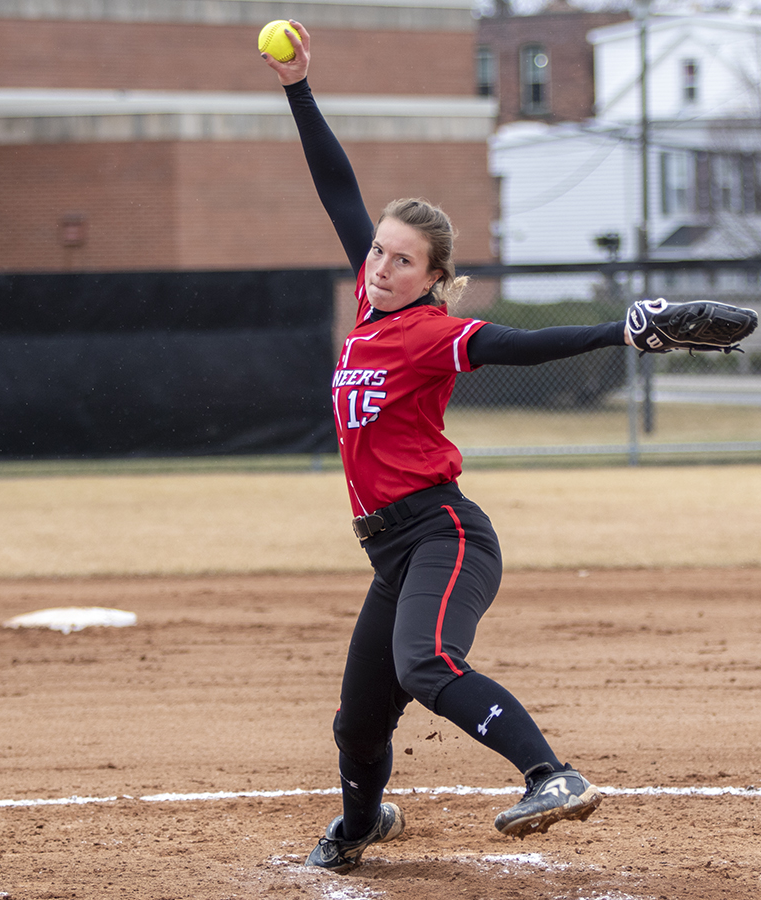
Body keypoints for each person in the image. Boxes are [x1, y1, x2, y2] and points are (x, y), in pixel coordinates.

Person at [261, 22, 645, 873]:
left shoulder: (432, 332)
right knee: (358, 722)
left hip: (444, 534)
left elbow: (520, 345)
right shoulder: (369, 312)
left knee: (428, 664)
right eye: (378, 251)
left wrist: (618, 331)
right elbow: (336, 187)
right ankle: (362, 824)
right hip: (390, 551)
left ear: (434, 277)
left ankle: (551, 774)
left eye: (403, 261)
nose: (381, 266)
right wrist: (298, 88)